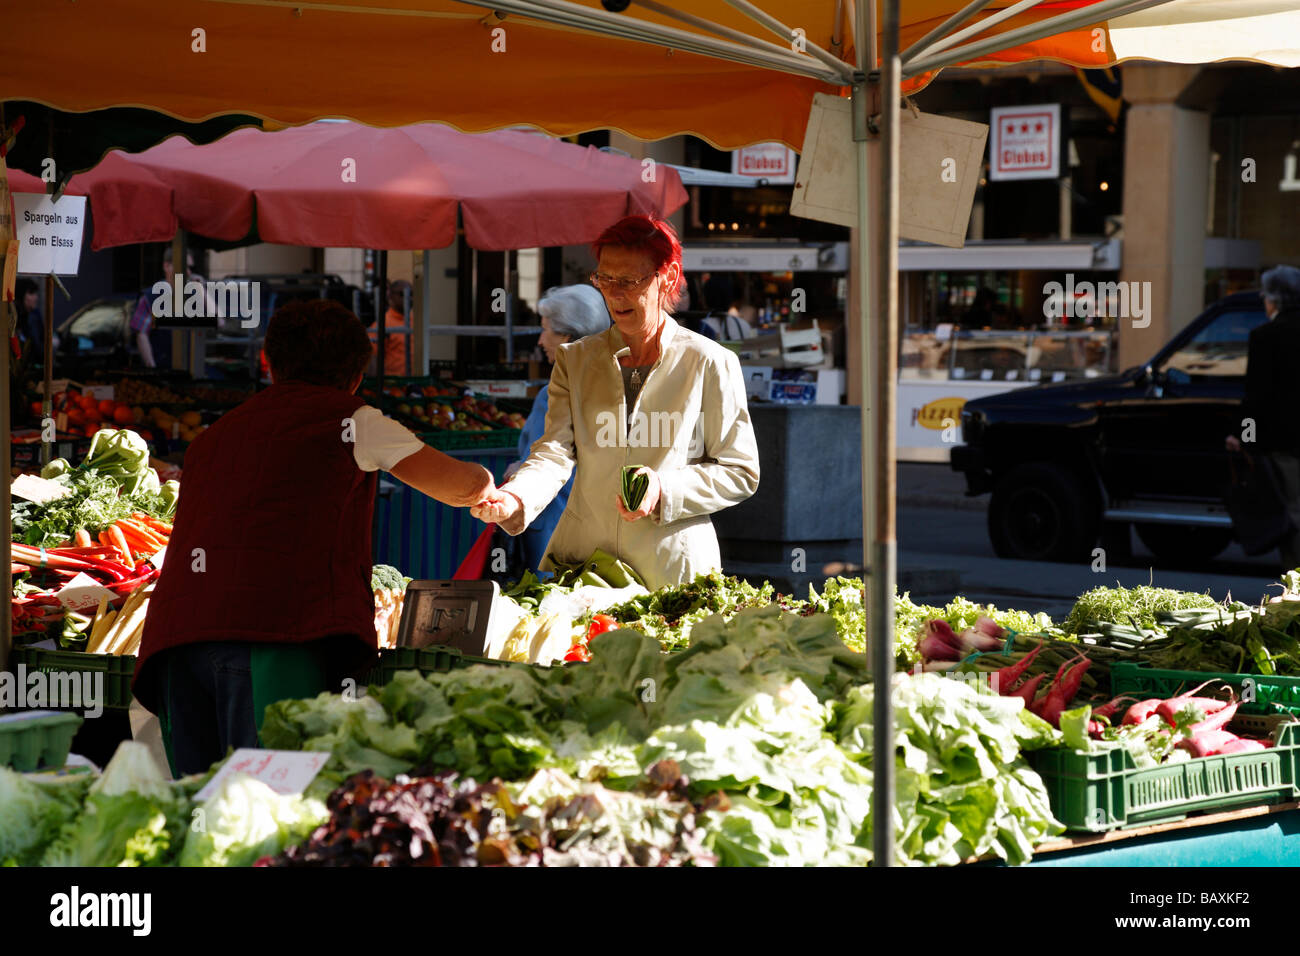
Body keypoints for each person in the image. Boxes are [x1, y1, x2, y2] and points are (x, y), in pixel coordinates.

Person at [132, 299, 494, 775]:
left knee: (195, 811)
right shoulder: (353, 419)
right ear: (357, 376)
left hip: (175, 648)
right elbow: (459, 486)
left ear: (269, 362)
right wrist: (489, 485)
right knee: (272, 810)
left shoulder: (214, 436)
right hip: (274, 637)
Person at [472, 215, 760, 590]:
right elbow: (554, 453)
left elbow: (740, 470)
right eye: (604, 279)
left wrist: (664, 491)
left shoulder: (708, 361)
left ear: (668, 277)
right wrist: (515, 497)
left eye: (629, 281)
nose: (614, 293)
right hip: (584, 569)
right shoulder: (575, 361)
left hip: (672, 570)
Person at [506, 284, 611, 573]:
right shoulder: (617, 387)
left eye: (547, 330)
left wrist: (518, 469)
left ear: (568, 337)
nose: (541, 340)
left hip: (551, 524)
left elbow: (540, 462)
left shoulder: (553, 394)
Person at [1227, 265, 1300, 569]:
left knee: (1293, 515)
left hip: (1284, 442)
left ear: (1274, 300)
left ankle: (1295, 593)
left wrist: (1244, 438)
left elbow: (1256, 397)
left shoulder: (1265, 336)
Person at [371, 279, 412, 375]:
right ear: (390, 296)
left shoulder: (418, 321)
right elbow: (373, 358)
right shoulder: (383, 323)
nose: (409, 298)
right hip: (392, 384)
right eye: (402, 294)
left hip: (417, 383)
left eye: (411, 294)